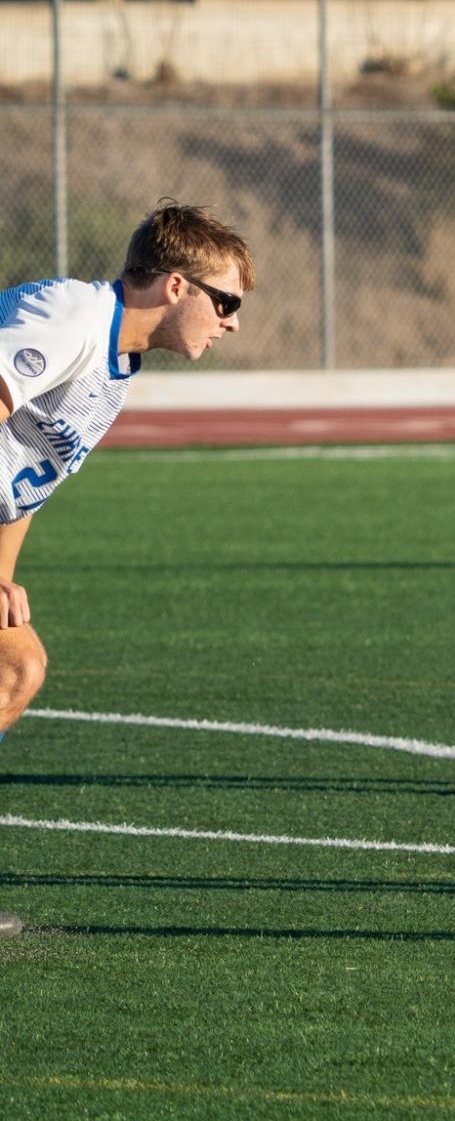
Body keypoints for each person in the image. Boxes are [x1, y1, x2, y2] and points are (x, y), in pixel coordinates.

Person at [0, 202, 254, 939]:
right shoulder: (74, 315)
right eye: (226, 300)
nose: (232, 321)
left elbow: (22, 484)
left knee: (17, 666)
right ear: (177, 285)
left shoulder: (119, 363)